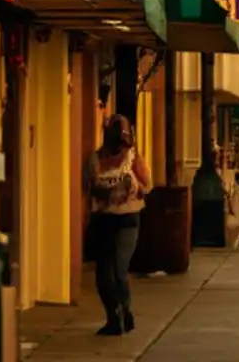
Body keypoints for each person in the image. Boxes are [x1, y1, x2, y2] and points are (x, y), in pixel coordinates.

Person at [84, 113, 151, 337]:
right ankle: (114, 316)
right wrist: (110, 192)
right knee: (103, 274)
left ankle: (125, 312)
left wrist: (137, 189)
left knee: (119, 269)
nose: (119, 149)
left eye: (122, 143)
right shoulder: (95, 159)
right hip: (103, 218)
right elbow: (91, 187)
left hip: (128, 219)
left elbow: (147, 184)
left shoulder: (133, 158)